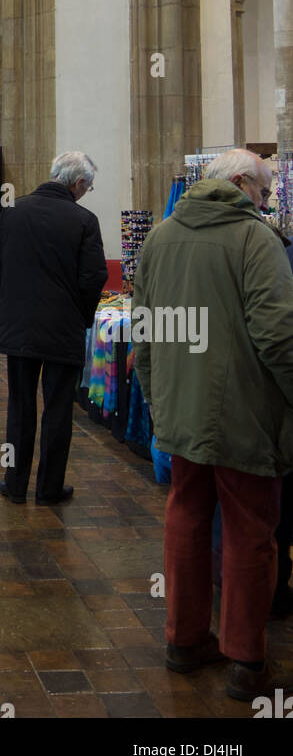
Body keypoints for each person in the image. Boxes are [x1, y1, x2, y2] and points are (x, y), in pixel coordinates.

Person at [134, 148, 293, 700]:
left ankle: (184, 641)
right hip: (245, 414)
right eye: (267, 192)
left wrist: (157, 399)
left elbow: (145, 330)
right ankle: (246, 661)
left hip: (181, 410)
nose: (268, 202)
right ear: (244, 183)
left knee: (186, 517)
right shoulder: (256, 240)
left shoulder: (160, 237)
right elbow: (277, 334)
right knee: (251, 530)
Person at [0, 151, 106, 504]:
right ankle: (49, 486)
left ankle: (13, 482)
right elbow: (93, 277)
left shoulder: (13, 212)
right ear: (79, 183)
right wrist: (81, 317)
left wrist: (9, 305)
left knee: (18, 409)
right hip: (63, 328)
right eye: (90, 186)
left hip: (19, 327)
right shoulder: (84, 220)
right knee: (58, 412)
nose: (88, 192)